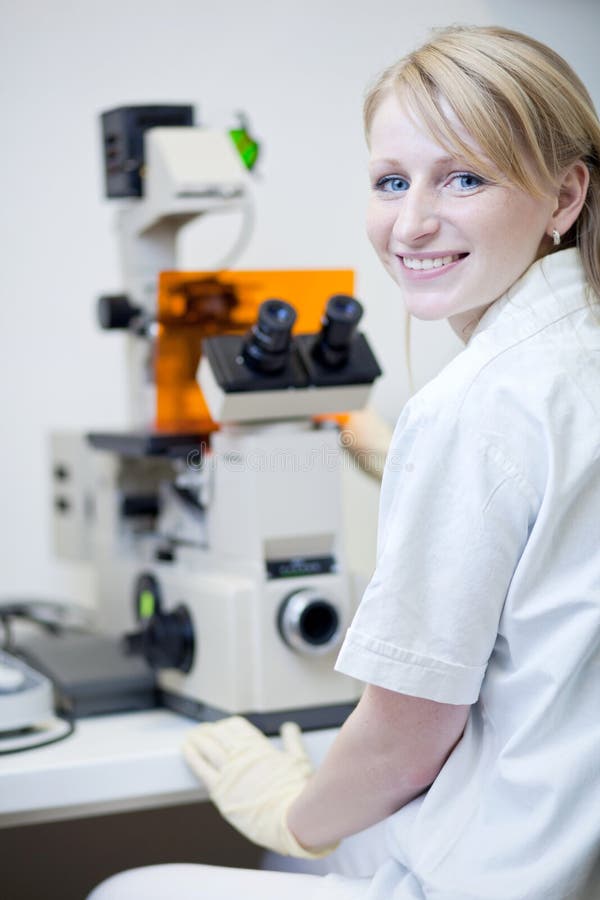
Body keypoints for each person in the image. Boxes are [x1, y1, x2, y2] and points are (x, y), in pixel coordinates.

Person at [88, 24, 600, 900]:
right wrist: (402, 452)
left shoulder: (475, 405)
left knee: (126, 888)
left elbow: (407, 734)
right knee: (302, 867)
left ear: (564, 196)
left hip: (502, 875)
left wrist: (289, 808)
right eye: (391, 181)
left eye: (464, 178)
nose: (412, 223)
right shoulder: (561, 361)